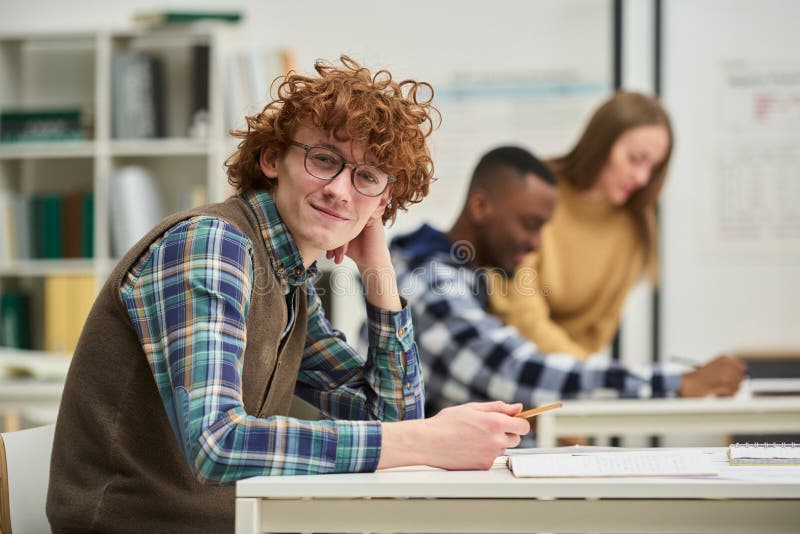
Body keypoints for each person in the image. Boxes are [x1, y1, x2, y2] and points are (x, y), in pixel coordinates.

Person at [46, 56, 530, 534]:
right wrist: (425, 440)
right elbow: (219, 444)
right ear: (273, 159)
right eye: (324, 160)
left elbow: (385, 416)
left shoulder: (288, 278)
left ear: (383, 202)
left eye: (367, 176)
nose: (342, 190)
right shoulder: (213, 246)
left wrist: (379, 272)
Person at [380, 145, 745, 417]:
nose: (537, 243)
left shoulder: (471, 280)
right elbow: (514, 372)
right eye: (530, 224)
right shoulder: (428, 281)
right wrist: (676, 383)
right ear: (481, 207)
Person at [489, 91, 674, 360]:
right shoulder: (534, 192)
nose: (642, 178)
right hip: (506, 364)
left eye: (653, 167)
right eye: (635, 159)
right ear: (601, 144)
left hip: (570, 383)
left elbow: (598, 331)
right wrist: (583, 374)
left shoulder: (637, 228)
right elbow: (519, 311)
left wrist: (582, 379)